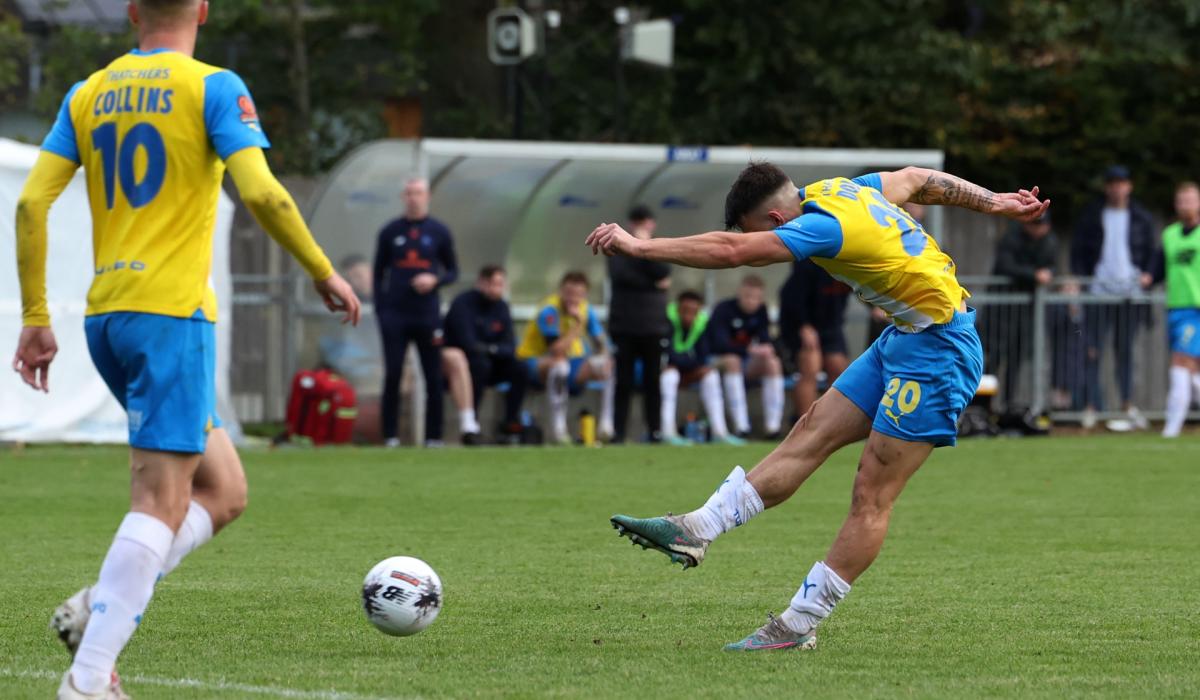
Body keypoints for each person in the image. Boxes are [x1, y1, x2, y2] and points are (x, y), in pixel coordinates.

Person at [10, 2, 361, 697]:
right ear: (202, 10)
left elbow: (29, 206)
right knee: (160, 498)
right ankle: (86, 679)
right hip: (171, 316)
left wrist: (35, 316)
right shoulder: (214, 87)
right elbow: (263, 193)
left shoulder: (86, 92)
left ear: (133, 12)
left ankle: (98, 607)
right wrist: (322, 269)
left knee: (224, 489)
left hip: (107, 317)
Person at [588, 162, 1047, 651]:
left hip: (941, 351)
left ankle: (799, 623)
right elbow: (914, 178)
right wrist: (994, 201)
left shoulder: (821, 225)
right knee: (811, 429)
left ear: (777, 218)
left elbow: (731, 251)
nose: (769, 242)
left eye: (759, 230)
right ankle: (696, 528)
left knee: (871, 492)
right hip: (905, 338)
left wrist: (638, 246)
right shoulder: (838, 190)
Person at [373, 177, 459, 447]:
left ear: (427, 196)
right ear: (403, 197)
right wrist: (381, 310)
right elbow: (378, 275)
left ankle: (434, 436)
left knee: (433, 375)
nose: (414, 198)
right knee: (393, 374)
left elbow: (453, 271)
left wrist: (435, 280)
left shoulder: (439, 232)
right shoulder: (390, 232)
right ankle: (390, 436)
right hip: (395, 316)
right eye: (409, 193)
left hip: (427, 315)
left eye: (418, 193)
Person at [1070, 165, 1157, 430]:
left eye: (1121, 183)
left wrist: (1147, 275)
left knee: (1125, 352)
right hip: (1098, 295)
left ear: (1128, 186)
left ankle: (1127, 405)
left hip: (1129, 295)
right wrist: (1079, 280)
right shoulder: (1093, 215)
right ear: (1107, 187)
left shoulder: (1141, 217)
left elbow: (1152, 253)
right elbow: (1078, 251)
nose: (1117, 188)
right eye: (1112, 183)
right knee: (1092, 352)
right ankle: (1091, 407)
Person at [516, 271, 615, 444]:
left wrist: (602, 349)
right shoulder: (549, 311)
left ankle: (606, 425)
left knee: (608, 364)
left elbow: (601, 342)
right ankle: (558, 429)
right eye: (569, 293)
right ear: (561, 291)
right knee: (559, 366)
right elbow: (556, 351)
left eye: (578, 295)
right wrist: (577, 325)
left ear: (585, 295)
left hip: (572, 362)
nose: (573, 299)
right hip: (534, 362)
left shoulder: (585, 308)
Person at [607, 205, 671, 443]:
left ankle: (655, 430)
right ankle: (619, 432)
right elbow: (621, 275)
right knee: (623, 382)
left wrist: (644, 248)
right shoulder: (618, 248)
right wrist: (653, 284)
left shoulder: (658, 246)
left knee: (652, 381)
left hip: (653, 327)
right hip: (625, 326)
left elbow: (663, 269)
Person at [443, 265, 526, 441]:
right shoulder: (463, 303)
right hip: (466, 363)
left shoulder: (502, 307)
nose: (496, 288)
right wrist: (493, 349)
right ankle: (472, 423)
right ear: (481, 282)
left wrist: (491, 349)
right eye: (492, 283)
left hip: (493, 360)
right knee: (480, 365)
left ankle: (510, 422)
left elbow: (509, 346)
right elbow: (467, 343)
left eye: (500, 284)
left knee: (520, 368)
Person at [988, 211, 1057, 411]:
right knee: (993, 360)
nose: (1037, 230)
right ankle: (984, 406)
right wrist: (1034, 274)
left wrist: (1047, 274)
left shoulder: (1049, 242)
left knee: (1016, 360)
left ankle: (1008, 406)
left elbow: (1052, 267)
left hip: (1026, 312)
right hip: (1002, 310)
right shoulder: (1012, 237)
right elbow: (1005, 265)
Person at [659, 290, 746, 446]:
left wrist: (690, 366)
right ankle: (667, 432)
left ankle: (719, 432)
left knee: (710, 375)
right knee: (670, 376)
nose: (688, 316)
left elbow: (702, 357)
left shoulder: (703, 324)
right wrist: (688, 363)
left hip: (687, 371)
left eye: (693, 312)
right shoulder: (666, 321)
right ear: (678, 309)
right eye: (685, 311)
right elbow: (668, 355)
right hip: (665, 371)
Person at [709, 275, 785, 439]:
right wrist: (749, 350)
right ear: (739, 294)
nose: (752, 302)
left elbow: (765, 339)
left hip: (747, 363)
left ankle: (773, 427)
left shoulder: (761, 311)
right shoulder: (723, 309)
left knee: (773, 362)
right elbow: (719, 345)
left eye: (756, 298)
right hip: (719, 363)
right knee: (733, 360)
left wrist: (767, 349)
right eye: (748, 296)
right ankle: (741, 426)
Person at [779, 258, 851, 418]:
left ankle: (831, 423)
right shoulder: (809, 263)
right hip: (803, 325)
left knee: (840, 369)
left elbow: (866, 289)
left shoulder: (849, 264)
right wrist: (803, 325)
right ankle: (806, 423)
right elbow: (790, 296)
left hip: (831, 326)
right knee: (810, 367)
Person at [1158, 181, 1200, 438]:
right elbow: (1158, 266)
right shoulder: (1169, 234)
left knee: (1181, 362)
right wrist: (1147, 278)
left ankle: (1171, 429)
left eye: (1190, 199)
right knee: (1192, 367)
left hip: (1196, 308)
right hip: (1176, 306)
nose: (1185, 204)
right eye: (1181, 200)